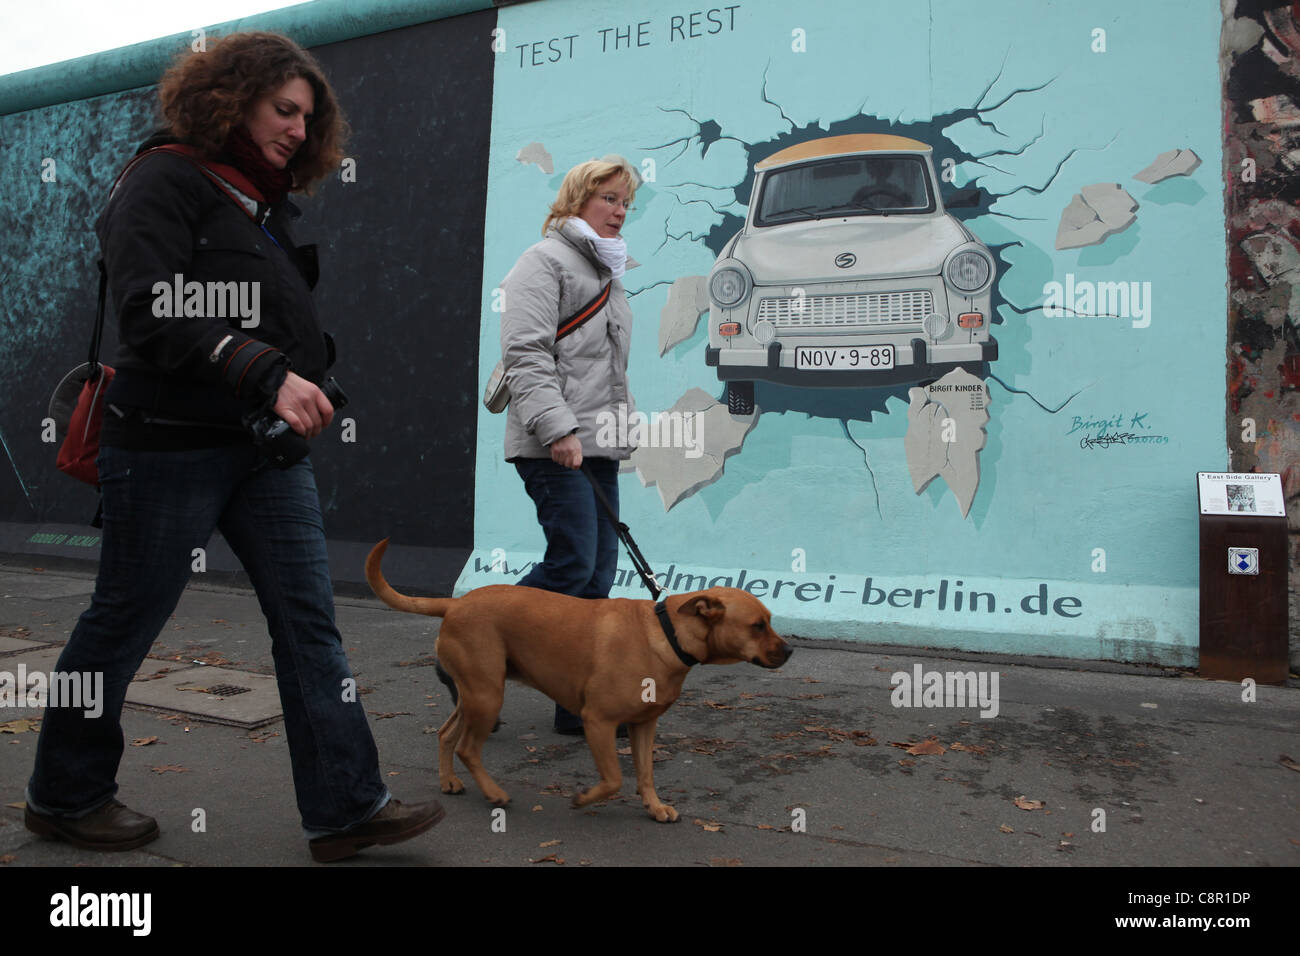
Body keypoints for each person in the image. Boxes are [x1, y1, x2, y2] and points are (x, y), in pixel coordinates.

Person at [25, 31, 443, 863]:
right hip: (166, 448)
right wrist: (261, 369)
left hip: (262, 449)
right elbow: (149, 308)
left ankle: (346, 808)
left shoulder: (260, 205)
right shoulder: (161, 179)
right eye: (283, 109)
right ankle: (63, 796)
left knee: (308, 620)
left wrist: (296, 374)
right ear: (230, 98)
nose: (297, 128)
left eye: (307, 116)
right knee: (123, 621)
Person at [498, 157, 639, 734]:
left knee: (597, 576)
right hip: (551, 444)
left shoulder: (607, 271)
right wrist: (558, 428)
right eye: (608, 197)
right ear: (577, 198)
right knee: (574, 561)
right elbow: (526, 352)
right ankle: (472, 641)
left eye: (626, 201)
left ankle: (575, 704)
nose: (620, 210)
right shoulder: (542, 262)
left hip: (596, 446)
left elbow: (606, 369)